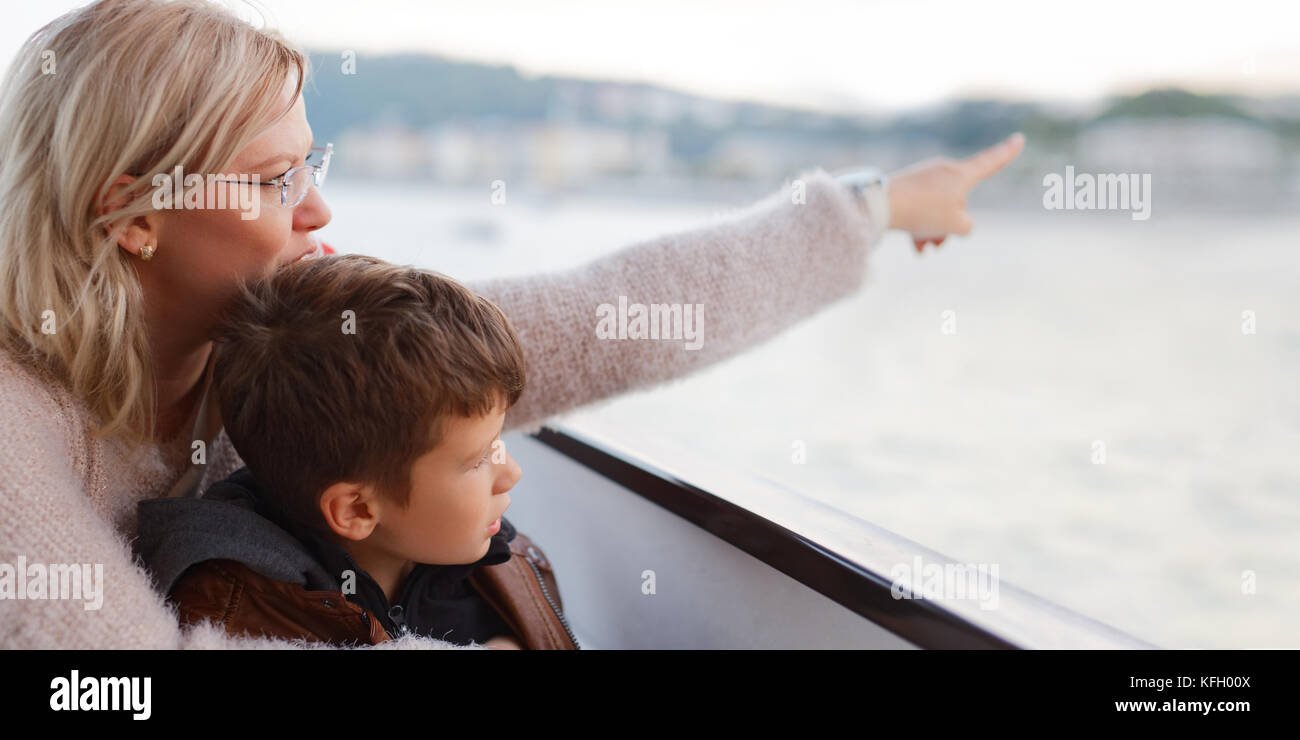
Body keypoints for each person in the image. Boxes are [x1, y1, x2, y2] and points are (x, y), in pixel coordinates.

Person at [0, 0, 1024, 649]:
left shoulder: (294, 344)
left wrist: (874, 205)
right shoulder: (14, 431)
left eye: (313, 163)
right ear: (132, 215)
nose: (316, 208)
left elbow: (610, 316)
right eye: (273, 179)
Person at [133, 255, 576, 649]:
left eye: (498, 443)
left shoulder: (497, 560)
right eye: (478, 460)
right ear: (358, 509)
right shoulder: (232, 613)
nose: (510, 472)